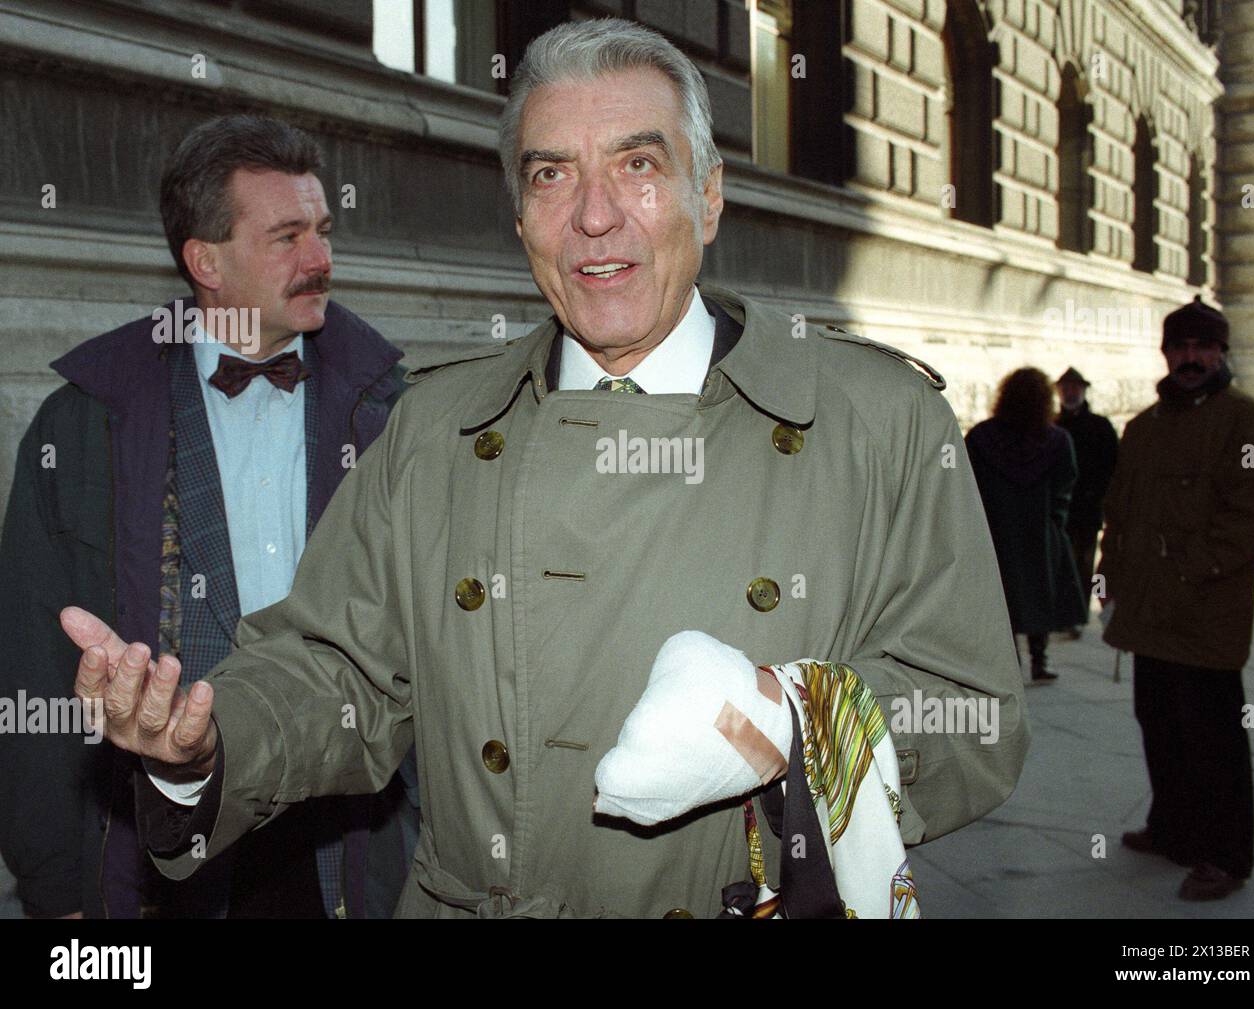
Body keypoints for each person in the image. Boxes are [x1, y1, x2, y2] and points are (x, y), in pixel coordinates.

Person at [61, 19, 1029, 918]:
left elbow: (972, 716)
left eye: (638, 165)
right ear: (520, 217)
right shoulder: (434, 426)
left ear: (709, 194)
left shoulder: (875, 423)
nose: (594, 217)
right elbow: (336, 667)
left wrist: (786, 726)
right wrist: (206, 741)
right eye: (552, 176)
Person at [0, 115, 413, 919]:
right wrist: (55, 889)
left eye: (324, 231)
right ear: (205, 261)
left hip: (349, 841)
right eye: (287, 237)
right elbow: (29, 668)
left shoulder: (394, 413)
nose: (320, 259)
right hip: (160, 846)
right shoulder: (82, 425)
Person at [1098, 295, 1254, 901]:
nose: (1190, 358)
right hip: (1147, 612)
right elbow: (1119, 514)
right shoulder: (1144, 427)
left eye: (1202, 347)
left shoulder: (1248, 424)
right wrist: (1109, 578)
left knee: (1214, 738)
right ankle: (1174, 829)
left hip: (1206, 613)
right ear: (1165, 353)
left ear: (1220, 352)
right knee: (1159, 724)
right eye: (1180, 346)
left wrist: (1192, 567)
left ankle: (1225, 856)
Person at [966, 368, 1088, 682]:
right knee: (1040, 593)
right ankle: (1039, 659)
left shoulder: (981, 438)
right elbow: (1065, 487)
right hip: (1040, 533)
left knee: (1003, 598)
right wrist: (1055, 522)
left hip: (997, 531)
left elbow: (968, 485)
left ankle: (1011, 662)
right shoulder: (1057, 441)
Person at [1054, 367, 1118, 635]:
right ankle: (1063, 614)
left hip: (1088, 509)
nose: (1070, 393)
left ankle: (1077, 616)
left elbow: (1113, 467)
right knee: (1059, 563)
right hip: (1059, 510)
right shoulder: (1051, 426)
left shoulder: (1100, 427)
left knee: (1083, 564)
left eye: (1075, 388)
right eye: (1066, 388)